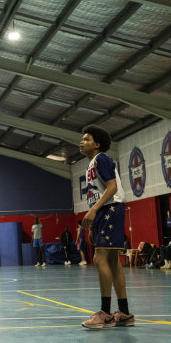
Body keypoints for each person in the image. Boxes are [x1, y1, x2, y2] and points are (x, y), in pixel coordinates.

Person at [79, 124, 134, 329]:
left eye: (86, 139)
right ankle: (125, 313)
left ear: (97, 144)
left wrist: (93, 211)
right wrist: (94, 224)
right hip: (104, 212)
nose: (81, 142)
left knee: (99, 257)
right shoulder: (91, 164)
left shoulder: (101, 158)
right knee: (112, 261)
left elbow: (112, 187)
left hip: (110, 208)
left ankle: (105, 313)